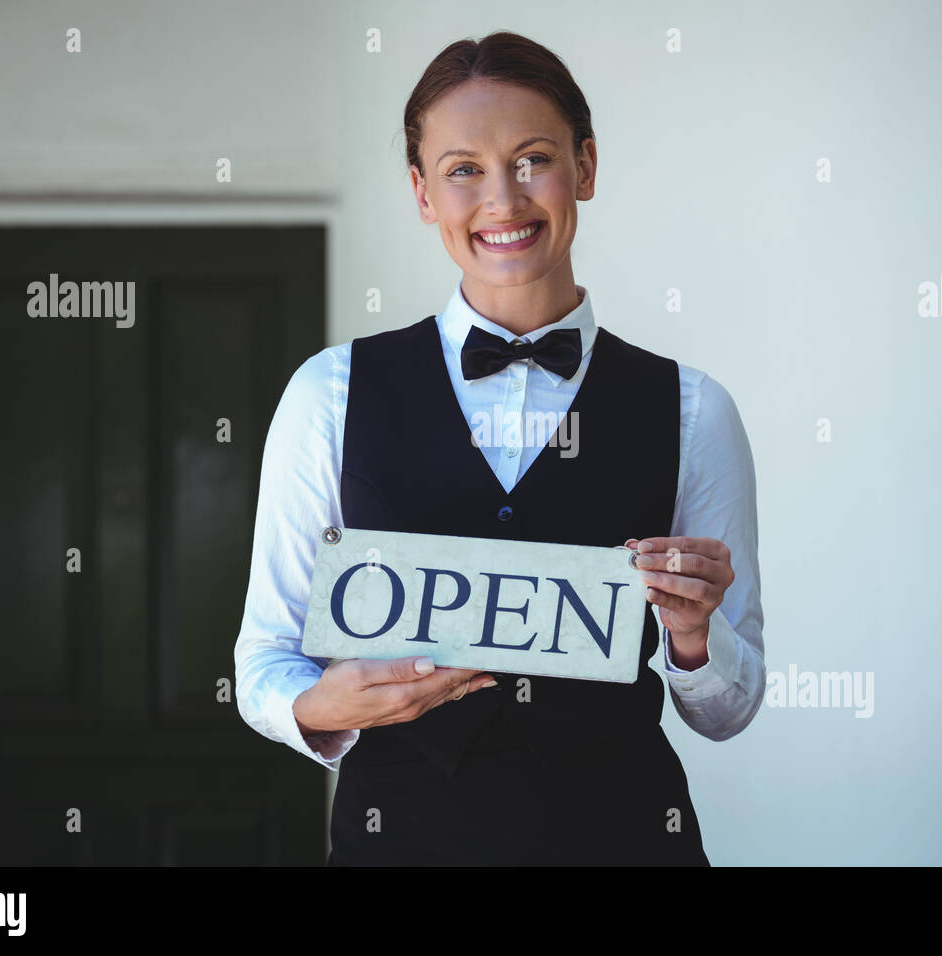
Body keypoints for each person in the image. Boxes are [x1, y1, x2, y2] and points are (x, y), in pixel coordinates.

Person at [233, 30, 765, 866]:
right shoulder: (328, 395)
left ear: (585, 167)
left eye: (532, 159)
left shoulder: (695, 410)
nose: (503, 199)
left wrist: (695, 638)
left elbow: (727, 708)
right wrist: (324, 706)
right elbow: (265, 657)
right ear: (421, 192)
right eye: (463, 169)